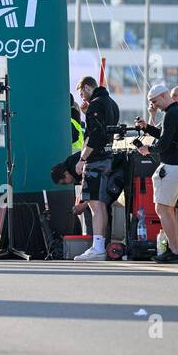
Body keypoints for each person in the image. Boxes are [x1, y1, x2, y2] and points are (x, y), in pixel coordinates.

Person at [136, 83, 178, 263]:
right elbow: (166, 135)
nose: (154, 105)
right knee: (167, 209)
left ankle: (174, 251)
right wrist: (147, 128)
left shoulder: (171, 114)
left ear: (163, 96)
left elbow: (164, 143)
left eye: (154, 101)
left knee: (162, 209)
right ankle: (172, 249)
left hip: (172, 167)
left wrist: (147, 149)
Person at [73, 75, 120, 261]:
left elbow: (94, 134)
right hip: (108, 156)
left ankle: (98, 247)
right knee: (100, 203)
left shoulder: (96, 104)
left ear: (86, 87)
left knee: (95, 203)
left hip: (96, 158)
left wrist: (82, 159)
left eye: (81, 93)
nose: (82, 98)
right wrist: (86, 113)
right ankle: (100, 244)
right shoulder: (111, 103)